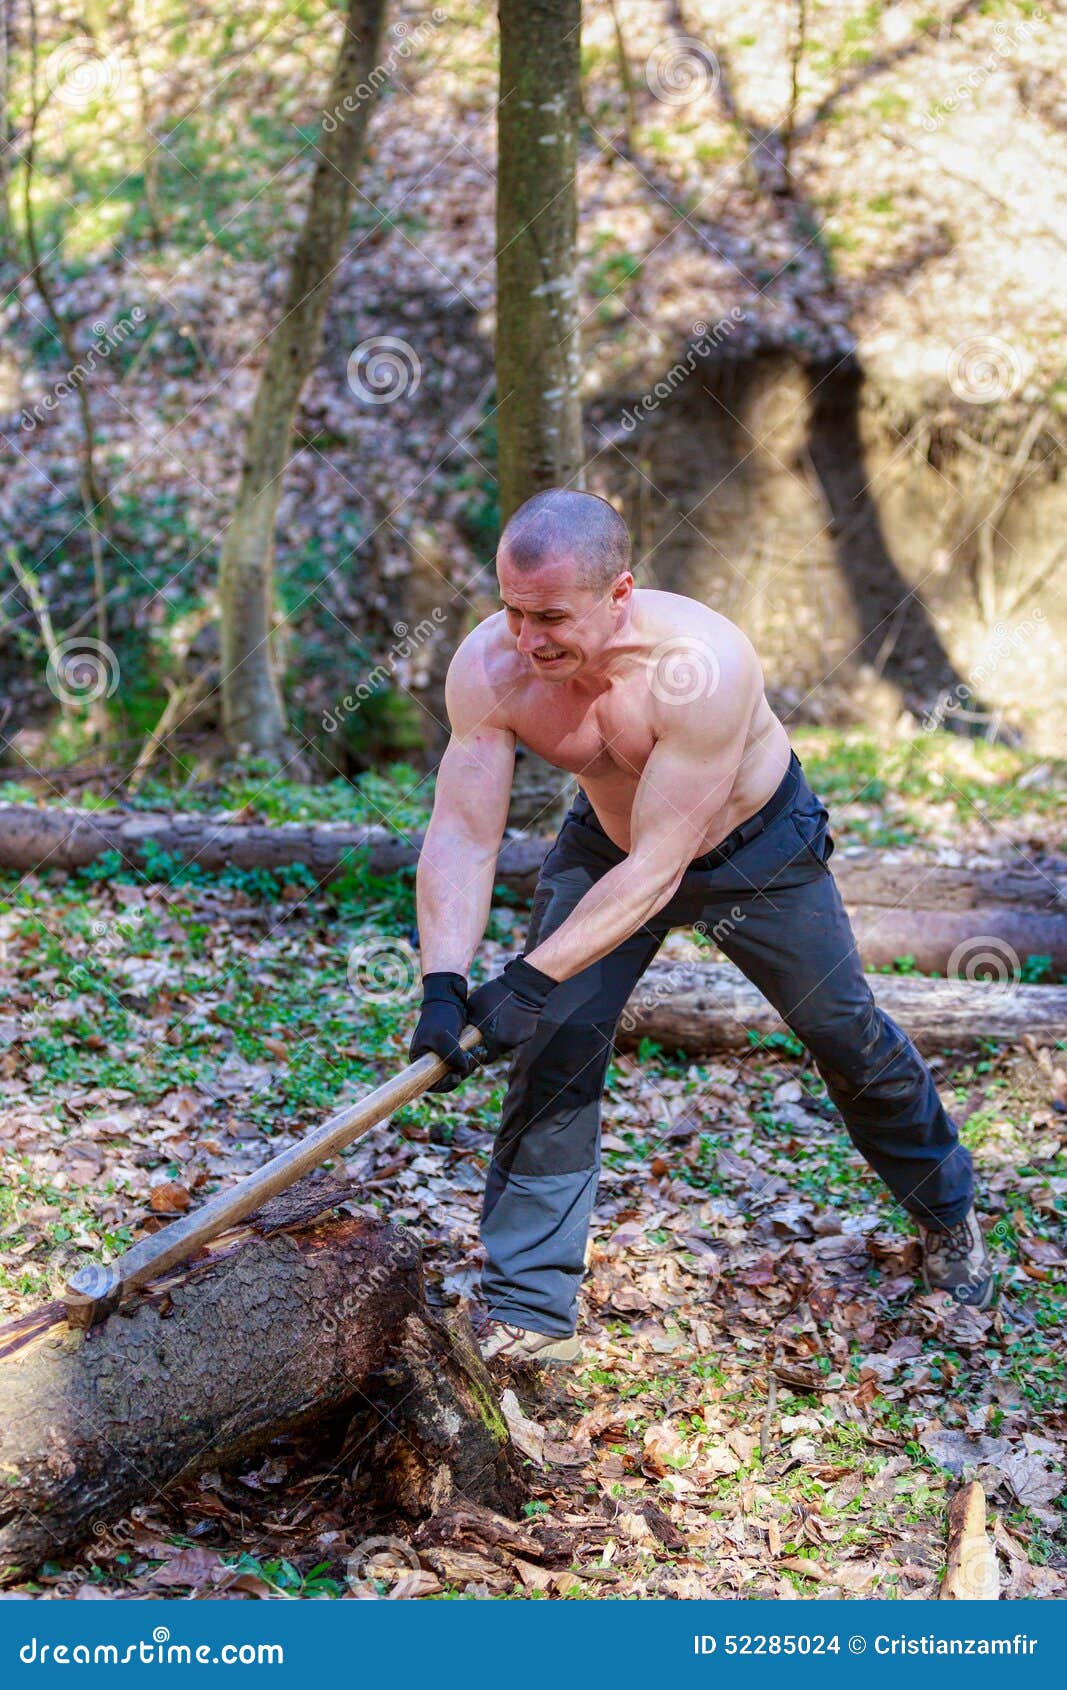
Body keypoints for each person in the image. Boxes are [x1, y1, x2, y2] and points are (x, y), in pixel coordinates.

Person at [409, 489, 994, 1364]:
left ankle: (947, 1214)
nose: (528, 639)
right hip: (607, 847)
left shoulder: (702, 663)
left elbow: (661, 867)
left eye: (551, 616)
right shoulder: (491, 668)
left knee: (842, 1031)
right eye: (511, 610)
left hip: (754, 852)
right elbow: (461, 830)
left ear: (620, 593)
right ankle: (530, 1310)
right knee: (557, 1045)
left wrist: (526, 978)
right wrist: (445, 984)